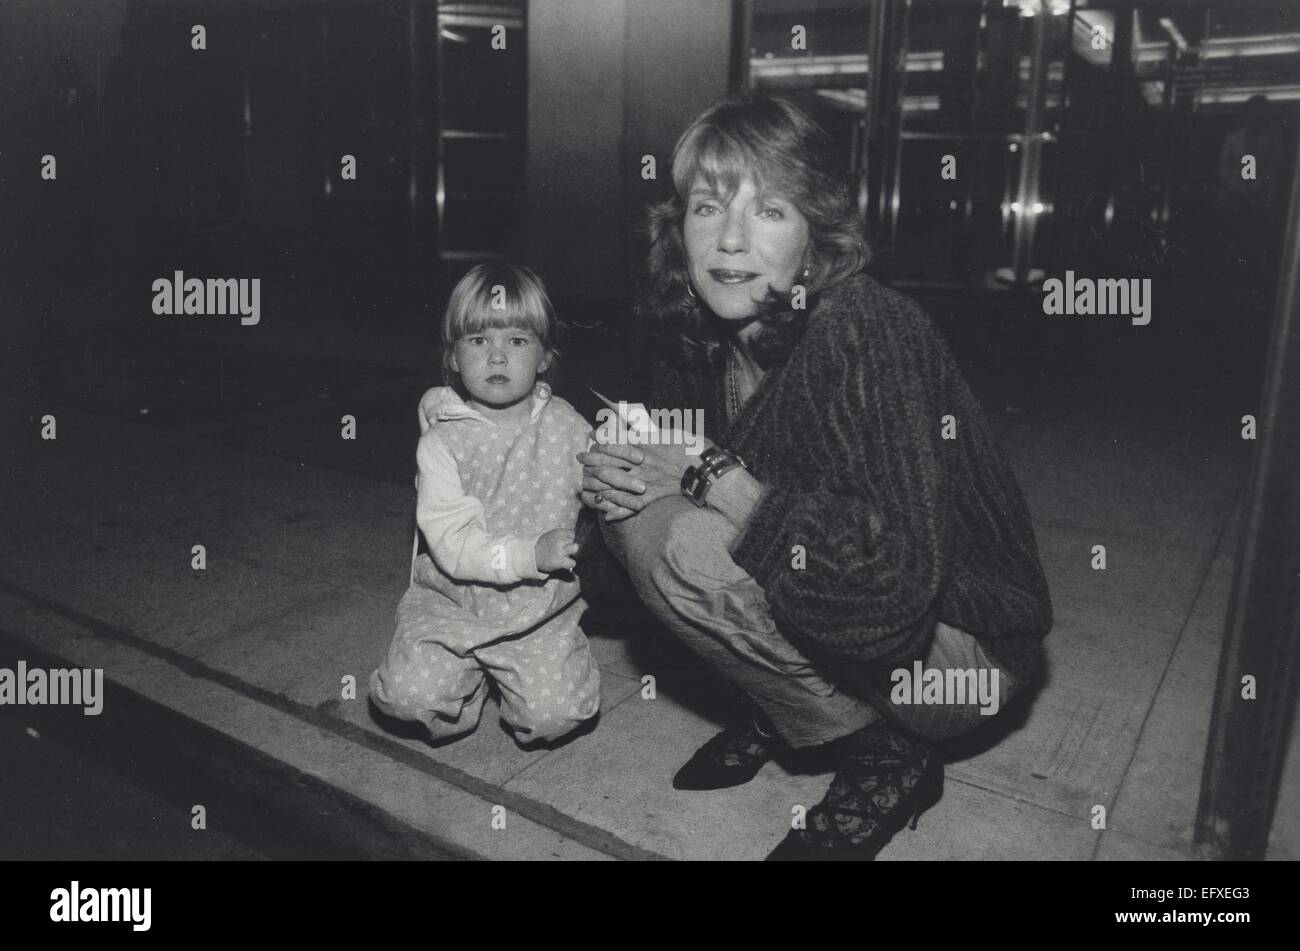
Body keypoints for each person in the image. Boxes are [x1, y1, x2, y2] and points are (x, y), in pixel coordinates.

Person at [579, 95, 1053, 860]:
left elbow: (894, 600)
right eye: (708, 206)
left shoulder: (870, 330)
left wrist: (711, 472)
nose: (729, 239)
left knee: (691, 541)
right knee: (649, 521)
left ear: (815, 235)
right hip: (849, 619)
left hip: (959, 659)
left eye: (768, 209)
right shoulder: (695, 333)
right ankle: (800, 708)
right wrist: (612, 493)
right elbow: (617, 577)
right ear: (680, 225)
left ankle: (886, 753)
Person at [370, 263, 600, 746]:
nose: (497, 356)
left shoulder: (569, 425)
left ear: (543, 358)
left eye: (516, 341)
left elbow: (601, 497)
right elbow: (452, 545)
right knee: (406, 698)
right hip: (453, 602)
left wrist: (621, 467)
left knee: (555, 715)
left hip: (540, 609)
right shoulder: (443, 442)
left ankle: (520, 678)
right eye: (478, 342)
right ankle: (464, 683)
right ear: (453, 357)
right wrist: (528, 555)